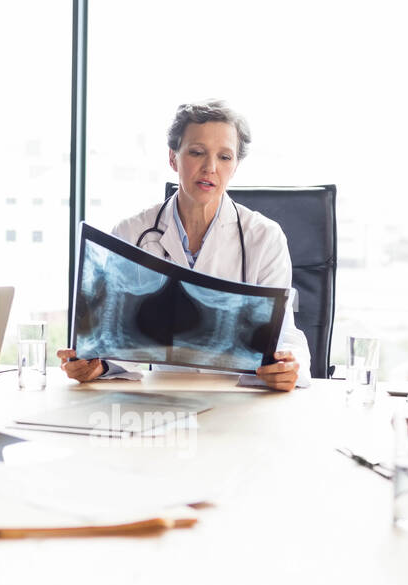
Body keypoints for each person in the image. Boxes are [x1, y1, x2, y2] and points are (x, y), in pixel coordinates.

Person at [59, 99, 309, 391]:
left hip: (238, 398)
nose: (210, 167)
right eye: (196, 152)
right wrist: (94, 365)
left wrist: (289, 367)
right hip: (159, 396)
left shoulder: (265, 237)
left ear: (236, 166)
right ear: (173, 158)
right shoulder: (131, 232)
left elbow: (284, 336)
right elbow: (113, 342)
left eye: (225, 157)